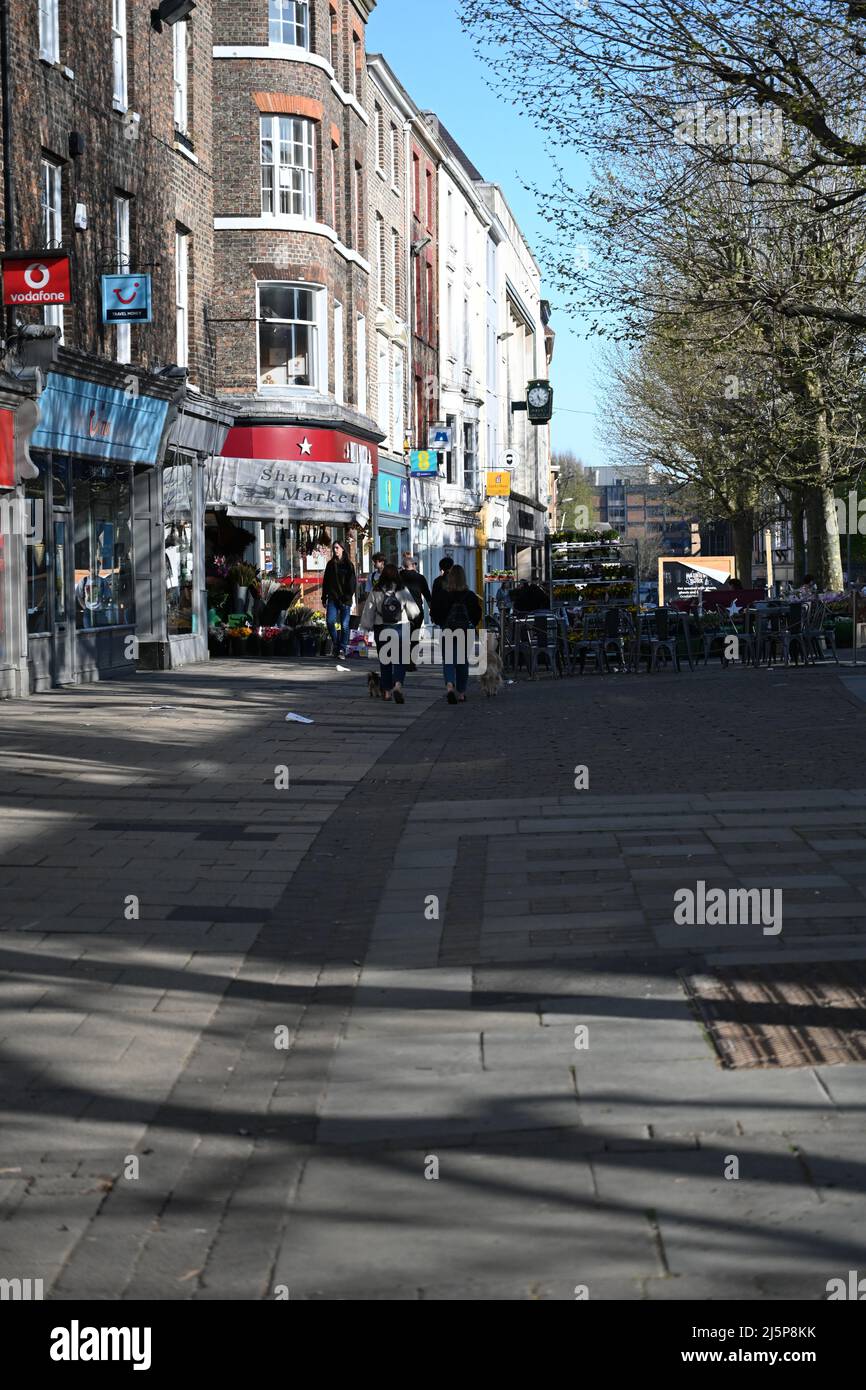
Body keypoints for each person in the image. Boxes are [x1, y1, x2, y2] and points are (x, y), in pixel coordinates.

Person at [358, 562, 419, 703]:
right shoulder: (402, 590)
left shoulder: (376, 590)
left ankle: (386, 692)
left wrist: (366, 627)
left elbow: (368, 611)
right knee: (400, 660)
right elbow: (414, 611)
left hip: (382, 627)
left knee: (385, 661)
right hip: (400, 627)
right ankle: (397, 685)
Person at [430, 563, 483, 704]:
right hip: (466, 631)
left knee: (448, 660)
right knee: (462, 661)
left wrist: (441, 622)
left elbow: (435, 611)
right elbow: (477, 614)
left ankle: (449, 686)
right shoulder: (470, 596)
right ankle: (461, 693)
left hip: (448, 630)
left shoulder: (443, 594)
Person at [321, 541, 356, 659]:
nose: (335, 550)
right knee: (330, 622)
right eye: (334, 548)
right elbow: (325, 582)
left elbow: (352, 583)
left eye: (337, 548)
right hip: (332, 598)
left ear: (342, 549)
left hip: (345, 599)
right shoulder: (330, 564)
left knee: (344, 625)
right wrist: (323, 597)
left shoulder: (348, 565)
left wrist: (348, 596)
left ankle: (342, 648)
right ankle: (336, 644)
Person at [398, 552, 432, 671]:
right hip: (417, 612)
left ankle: (402, 661)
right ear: (413, 565)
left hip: (401, 611)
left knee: (402, 637)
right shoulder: (420, 578)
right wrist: (432, 610)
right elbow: (427, 595)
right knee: (414, 637)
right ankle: (411, 662)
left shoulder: (398, 577)